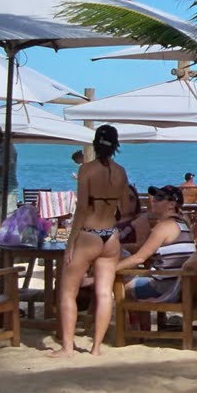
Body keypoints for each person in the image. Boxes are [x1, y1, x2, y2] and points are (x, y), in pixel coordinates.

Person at [53, 124, 127, 359]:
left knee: (67, 292)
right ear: (116, 146)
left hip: (88, 234)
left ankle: (67, 347)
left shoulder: (87, 170)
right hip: (111, 236)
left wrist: (70, 243)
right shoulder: (121, 172)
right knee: (104, 293)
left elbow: (82, 208)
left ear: (95, 144)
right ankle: (96, 348)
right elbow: (125, 208)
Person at [120, 184, 197, 304]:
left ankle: (130, 323)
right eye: (154, 197)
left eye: (160, 198)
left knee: (122, 287)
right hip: (182, 286)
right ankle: (140, 323)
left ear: (172, 204)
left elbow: (139, 258)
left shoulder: (164, 226)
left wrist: (112, 268)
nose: (154, 200)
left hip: (165, 288)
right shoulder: (183, 224)